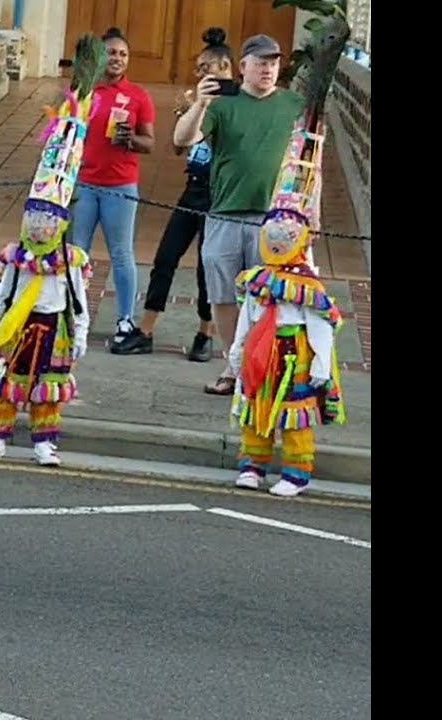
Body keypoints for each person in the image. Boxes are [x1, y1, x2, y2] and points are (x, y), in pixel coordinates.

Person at [0, 33, 101, 467]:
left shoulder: (68, 262)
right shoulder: (17, 259)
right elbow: (3, 293)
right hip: (16, 328)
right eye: (34, 220)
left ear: (61, 225)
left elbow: (77, 302)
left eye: (48, 221)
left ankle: (45, 442)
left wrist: (78, 336)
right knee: (7, 384)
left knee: (46, 390)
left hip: (52, 327)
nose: (40, 227)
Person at [225, 43, 346, 498]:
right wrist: (237, 350)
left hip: (293, 354)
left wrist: (318, 362)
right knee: (255, 407)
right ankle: (252, 464)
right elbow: (246, 315)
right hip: (260, 349)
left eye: (284, 234)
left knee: (294, 414)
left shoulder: (305, 286)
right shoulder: (258, 280)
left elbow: (321, 326)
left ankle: (295, 472)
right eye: (271, 233)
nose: (275, 240)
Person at [172, 33, 306, 395]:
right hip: (225, 213)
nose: (268, 69)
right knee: (222, 294)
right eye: (260, 62)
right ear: (242, 66)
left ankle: (261, 368)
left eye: (274, 62)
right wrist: (199, 104)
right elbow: (183, 139)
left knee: (268, 297)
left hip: (274, 220)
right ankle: (233, 367)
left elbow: (309, 156)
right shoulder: (221, 104)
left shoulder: (294, 103)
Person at [113, 28, 233, 359]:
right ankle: (146, 330)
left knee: (206, 268)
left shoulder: (238, 104)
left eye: (205, 67)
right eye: (198, 68)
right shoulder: (197, 100)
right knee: (166, 257)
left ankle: (204, 335)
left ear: (225, 66)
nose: (200, 74)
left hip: (220, 194)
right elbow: (177, 148)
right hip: (192, 188)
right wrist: (188, 112)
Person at [67, 27, 155, 354]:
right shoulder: (84, 90)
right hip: (85, 184)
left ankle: (124, 320)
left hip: (120, 186)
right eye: (111, 53)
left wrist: (130, 140)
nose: (117, 58)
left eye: (123, 54)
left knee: (121, 253)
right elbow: (65, 131)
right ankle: (72, 312)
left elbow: (149, 142)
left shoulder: (138, 97)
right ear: (100, 57)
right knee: (77, 251)